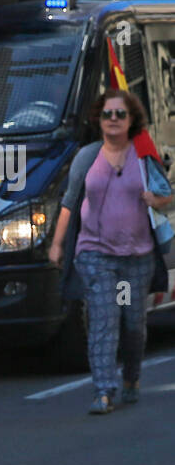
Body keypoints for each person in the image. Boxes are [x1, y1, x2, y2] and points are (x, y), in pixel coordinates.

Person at [48, 89, 173, 413]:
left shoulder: (144, 158)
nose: (113, 119)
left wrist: (154, 200)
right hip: (96, 255)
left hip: (138, 258)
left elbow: (167, 196)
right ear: (99, 119)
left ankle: (131, 377)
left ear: (131, 120)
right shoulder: (87, 157)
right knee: (104, 319)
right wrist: (58, 245)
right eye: (108, 114)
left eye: (120, 114)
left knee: (132, 325)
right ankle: (103, 390)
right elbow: (69, 203)